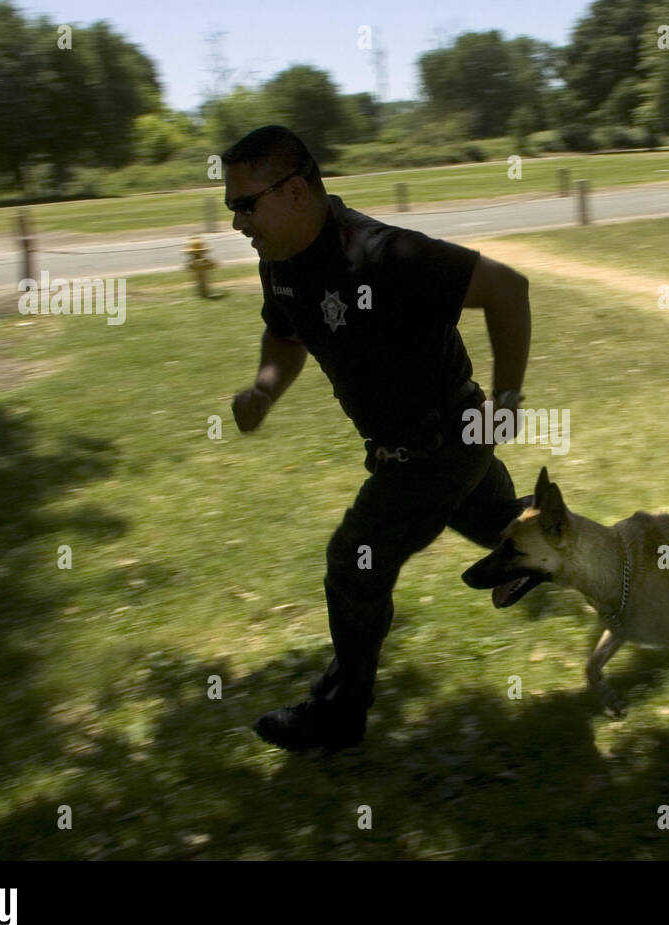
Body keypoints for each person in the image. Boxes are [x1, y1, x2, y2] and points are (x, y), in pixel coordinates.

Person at [223, 126, 533, 753]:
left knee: (353, 562)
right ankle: (590, 560)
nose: (237, 223)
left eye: (244, 205)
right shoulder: (278, 262)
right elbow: (286, 338)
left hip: (443, 440)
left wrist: (506, 401)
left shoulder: (385, 254)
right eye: (230, 208)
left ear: (297, 190)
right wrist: (262, 390)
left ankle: (338, 714)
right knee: (510, 529)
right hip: (419, 445)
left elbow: (508, 289)